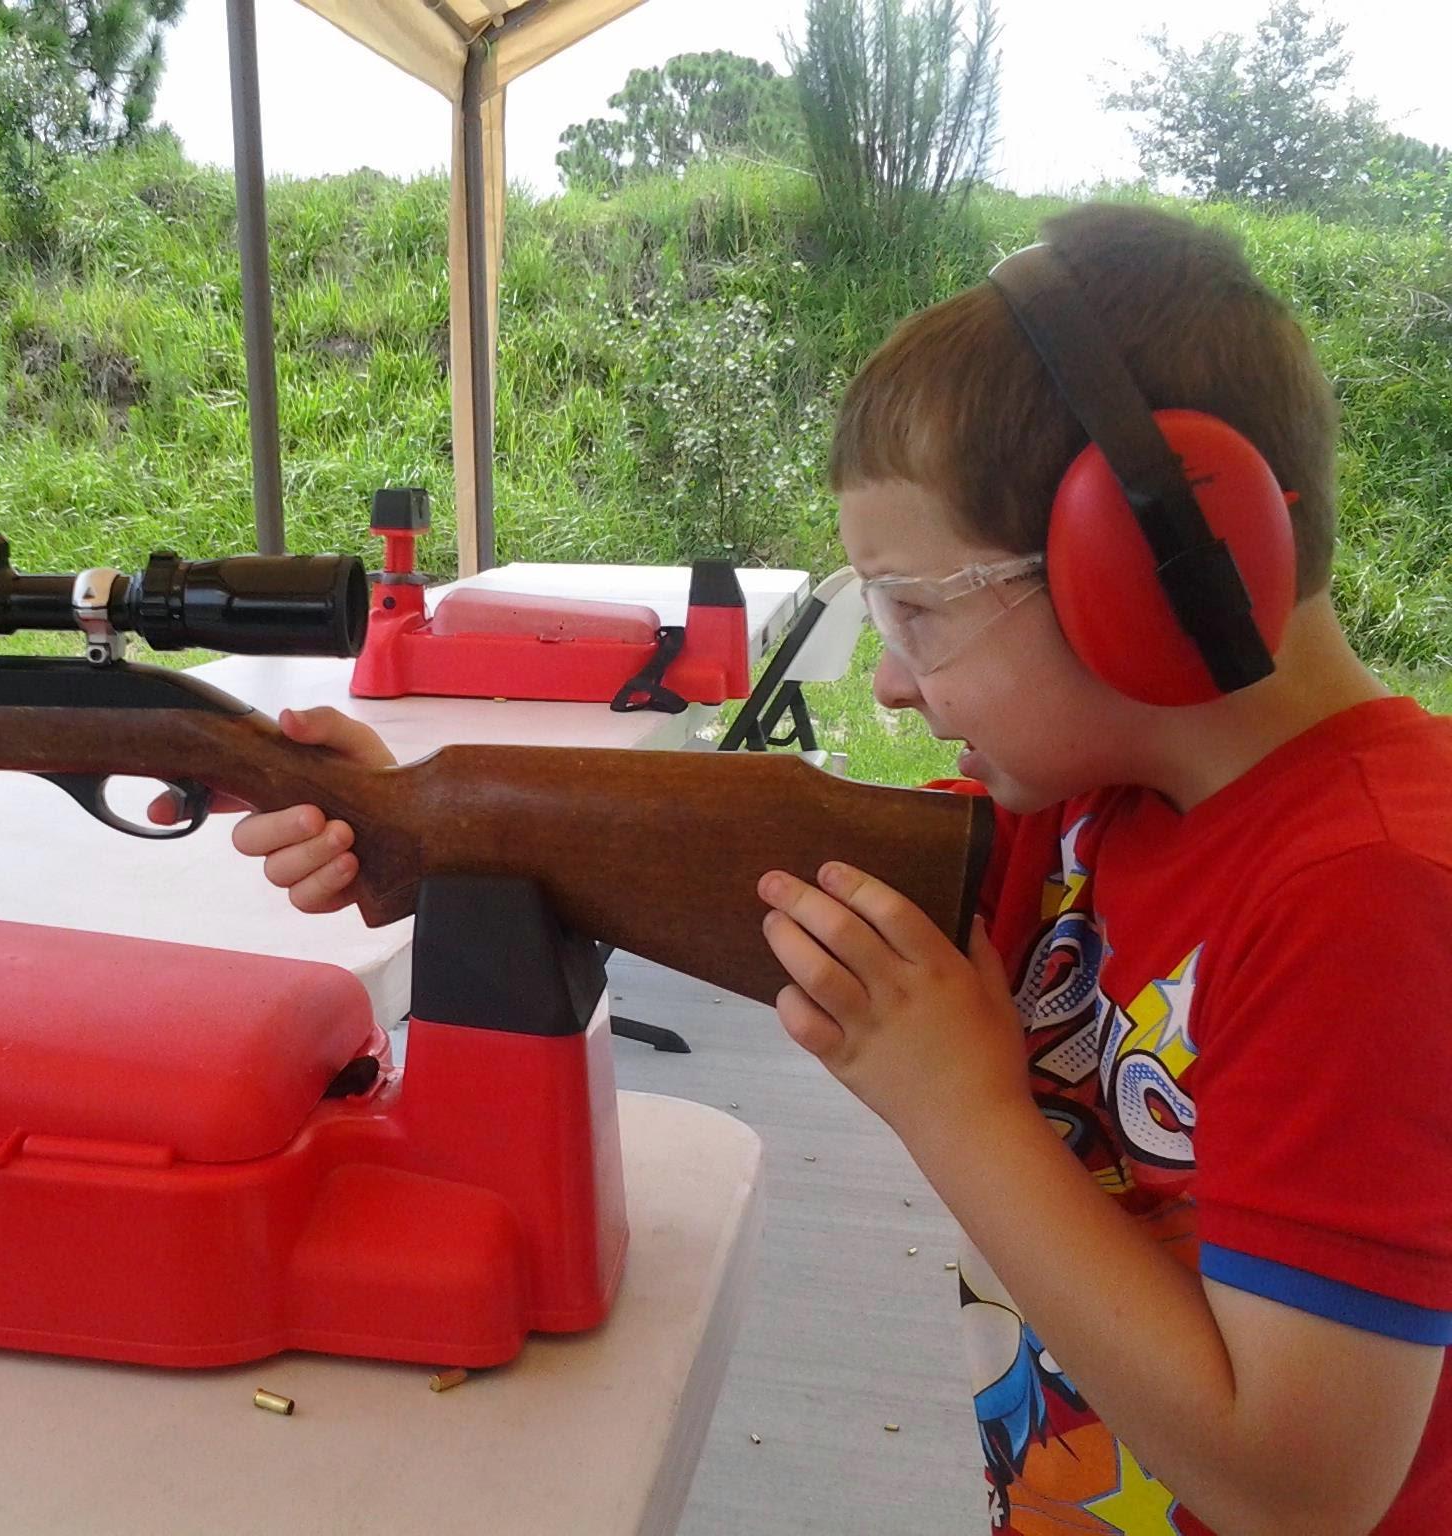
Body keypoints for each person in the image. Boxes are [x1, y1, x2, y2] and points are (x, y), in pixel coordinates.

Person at [188, 203, 1452, 1535]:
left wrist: (961, 1112)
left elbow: (1297, 1489)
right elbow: (726, 859)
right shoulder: (1096, 803)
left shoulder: (1369, 901)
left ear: (1139, 572)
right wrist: (413, 833)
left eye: (919, 608)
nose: (896, 684)